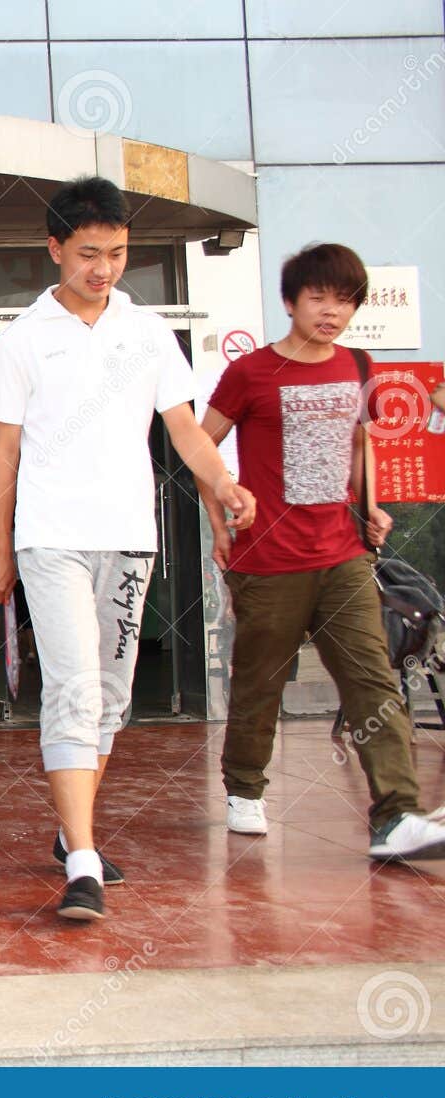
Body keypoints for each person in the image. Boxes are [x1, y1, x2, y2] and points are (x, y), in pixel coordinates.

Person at [0, 176, 256, 922]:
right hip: (51, 538)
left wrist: (223, 483)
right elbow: (3, 455)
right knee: (73, 689)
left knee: (110, 698)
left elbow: (184, 429)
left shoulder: (149, 331)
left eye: (118, 253)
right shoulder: (24, 336)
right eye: (89, 253)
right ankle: (84, 865)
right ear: (55, 248)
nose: (104, 268)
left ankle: (74, 830)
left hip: (130, 538)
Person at [201, 242, 445, 860]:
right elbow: (202, 448)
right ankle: (245, 788)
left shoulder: (359, 364)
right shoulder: (251, 372)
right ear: (290, 302)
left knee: (373, 681)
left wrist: (371, 506)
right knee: (261, 681)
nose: (332, 312)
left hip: (343, 556)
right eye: (319, 298)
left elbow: (361, 443)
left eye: (344, 301)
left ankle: (397, 816)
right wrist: (217, 522)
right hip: (268, 560)